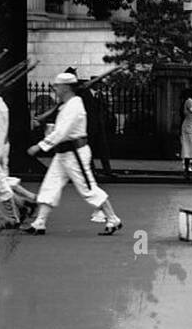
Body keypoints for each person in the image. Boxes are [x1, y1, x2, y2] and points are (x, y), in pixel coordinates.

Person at [23, 71, 123, 235]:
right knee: (50, 185)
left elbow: (62, 132)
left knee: (88, 189)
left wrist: (40, 146)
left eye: (57, 85)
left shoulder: (75, 105)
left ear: (66, 87)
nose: (55, 88)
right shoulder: (66, 105)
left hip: (75, 154)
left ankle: (113, 219)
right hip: (63, 153)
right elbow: (59, 130)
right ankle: (39, 222)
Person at [0, 93, 39, 229]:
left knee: (0, 184)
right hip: (1, 146)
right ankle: (23, 204)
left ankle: (13, 217)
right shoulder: (1, 105)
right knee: (1, 182)